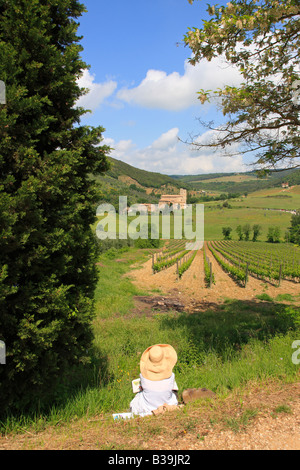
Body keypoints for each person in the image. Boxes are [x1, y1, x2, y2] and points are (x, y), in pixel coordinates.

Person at [130, 344, 179, 417]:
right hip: (166, 402)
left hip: (147, 406)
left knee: (138, 397)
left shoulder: (143, 376)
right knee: (172, 395)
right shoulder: (171, 376)